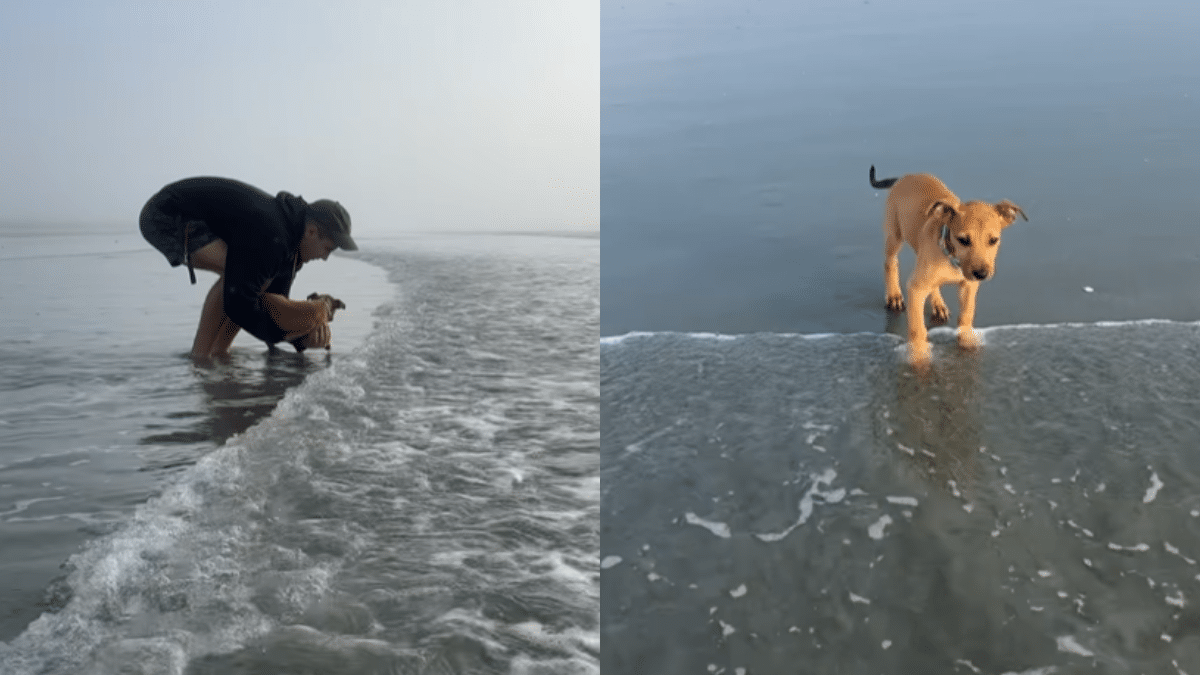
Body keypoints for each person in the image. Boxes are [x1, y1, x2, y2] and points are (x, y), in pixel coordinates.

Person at [139, 176, 357, 358]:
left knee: (252, 284)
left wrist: (302, 338)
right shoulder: (274, 234)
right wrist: (286, 332)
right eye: (328, 248)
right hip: (167, 214)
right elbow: (239, 305)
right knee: (237, 276)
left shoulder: (291, 250)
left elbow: (272, 304)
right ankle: (200, 358)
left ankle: (219, 353)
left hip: (197, 219)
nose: (326, 258)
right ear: (311, 232)